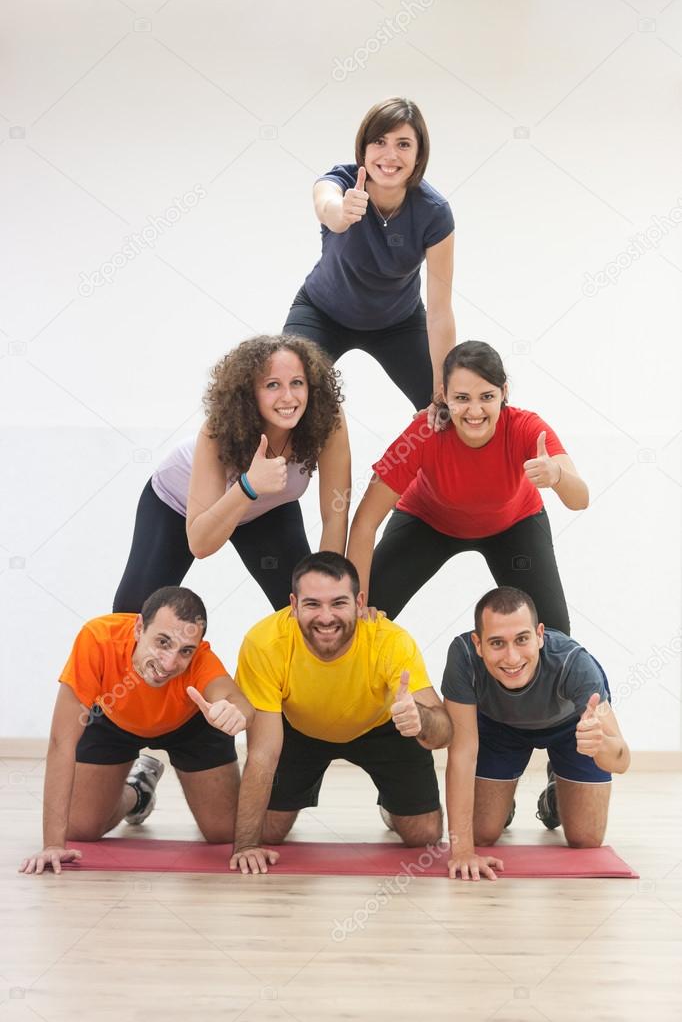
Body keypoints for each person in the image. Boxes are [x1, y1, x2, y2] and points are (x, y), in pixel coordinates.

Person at [228, 552, 453, 875]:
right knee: (268, 832)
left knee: (424, 836)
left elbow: (443, 732)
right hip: (300, 728)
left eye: (338, 603)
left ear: (359, 603)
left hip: (381, 726)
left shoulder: (391, 640)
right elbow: (262, 753)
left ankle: (393, 805)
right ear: (294, 605)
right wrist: (246, 845)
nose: (326, 617)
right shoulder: (264, 642)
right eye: (312, 604)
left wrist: (420, 719)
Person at [347, 340, 589, 632]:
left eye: (487, 396)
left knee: (553, 636)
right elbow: (364, 523)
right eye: (462, 398)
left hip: (513, 524)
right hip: (427, 523)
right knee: (357, 617)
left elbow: (580, 499)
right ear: (443, 396)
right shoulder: (423, 433)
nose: (475, 411)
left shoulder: (526, 427)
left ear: (504, 392)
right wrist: (357, 606)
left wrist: (557, 475)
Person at [19, 586, 254, 875]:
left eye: (185, 651)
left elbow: (236, 700)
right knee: (81, 827)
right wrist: (52, 845)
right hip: (113, 719)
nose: (169, 663)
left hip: (190, 725)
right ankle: (138, 791)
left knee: (224, 831)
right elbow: (61, 742)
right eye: (163, 642)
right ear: (139, 628)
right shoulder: (97, 638)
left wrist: (236, 713)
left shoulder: (202, 661)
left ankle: (143, 785)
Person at [113, 334, 351, 614]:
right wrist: (249, 485)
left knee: (309, 608)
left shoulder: (326, 419)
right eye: (272, 385)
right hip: (177, 505)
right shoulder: (217, 431)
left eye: (297, 382)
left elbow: (335, 514)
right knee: (132, 615)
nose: (288, 397)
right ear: (249, 392)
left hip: (266, 509)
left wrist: (328, 585)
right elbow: (201, 544)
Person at [443, 586, 630, 882]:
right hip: (500, 728)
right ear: (478, 644)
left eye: (522, 639)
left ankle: (556, 793)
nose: (512, 657)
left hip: (570, 729)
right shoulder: (463, 657)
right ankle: (502, 801)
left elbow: (622, 760)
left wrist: (599, 744)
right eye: (497, 643)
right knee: (482, 833)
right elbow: (462, 753)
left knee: (586, 839)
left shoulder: (575, 663)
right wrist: (463, 850)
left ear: (540, 635)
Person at [283, 96, 455, 416]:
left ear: (419, 155)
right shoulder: (340, 182)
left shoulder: (434, 212)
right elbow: (326, 206)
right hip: (322, 313)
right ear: (363, 148)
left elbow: (440, 313)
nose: (390, 155)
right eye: (379, 141)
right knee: (284, 396)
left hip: (398, 322)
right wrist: (342, 212)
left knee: (444, 409)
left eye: (403, 144)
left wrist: (443, 390)